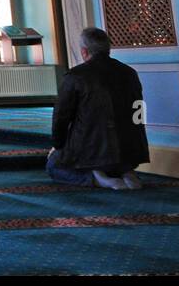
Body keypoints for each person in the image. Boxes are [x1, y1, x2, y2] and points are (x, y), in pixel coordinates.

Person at [47, 27, 149, 189]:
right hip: (131, 151)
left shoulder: (76, 76)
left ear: (84, 51)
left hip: (92, 151)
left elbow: (61, 117)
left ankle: (97, 179)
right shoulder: (129, 73)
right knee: (115, 155)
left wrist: (58, 145)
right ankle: (127, 172)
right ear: (108, 49)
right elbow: (139, 112)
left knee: (53, 165)